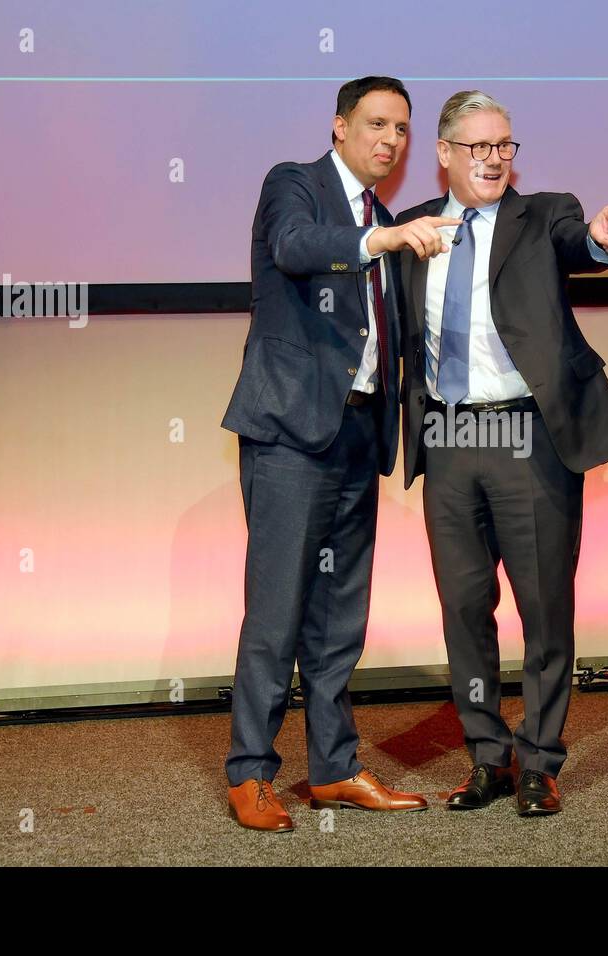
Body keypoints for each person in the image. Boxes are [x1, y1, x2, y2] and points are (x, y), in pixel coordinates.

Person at [220, 76, 460, 831]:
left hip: (359, 436)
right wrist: (377, 240)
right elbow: (294, 250)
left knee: (338, 619)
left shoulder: (386, 217)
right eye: (377, 124)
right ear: (340, 126)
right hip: (291, 432)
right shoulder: (296, 186)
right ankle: (250, 774)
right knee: (277, 612)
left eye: (402, 130)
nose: (391, 141)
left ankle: (333, 768)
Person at [394, 91, 608, 816]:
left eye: (505, 145)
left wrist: (600, 239)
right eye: (479, 147)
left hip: (527, 432)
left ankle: (539, 761)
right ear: (443, 155)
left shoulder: (545, 214)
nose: (495, 158)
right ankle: (486, 757)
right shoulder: (415, 234)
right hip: (448, 436)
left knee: (543, 605)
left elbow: (581, 242)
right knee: (464, 607)